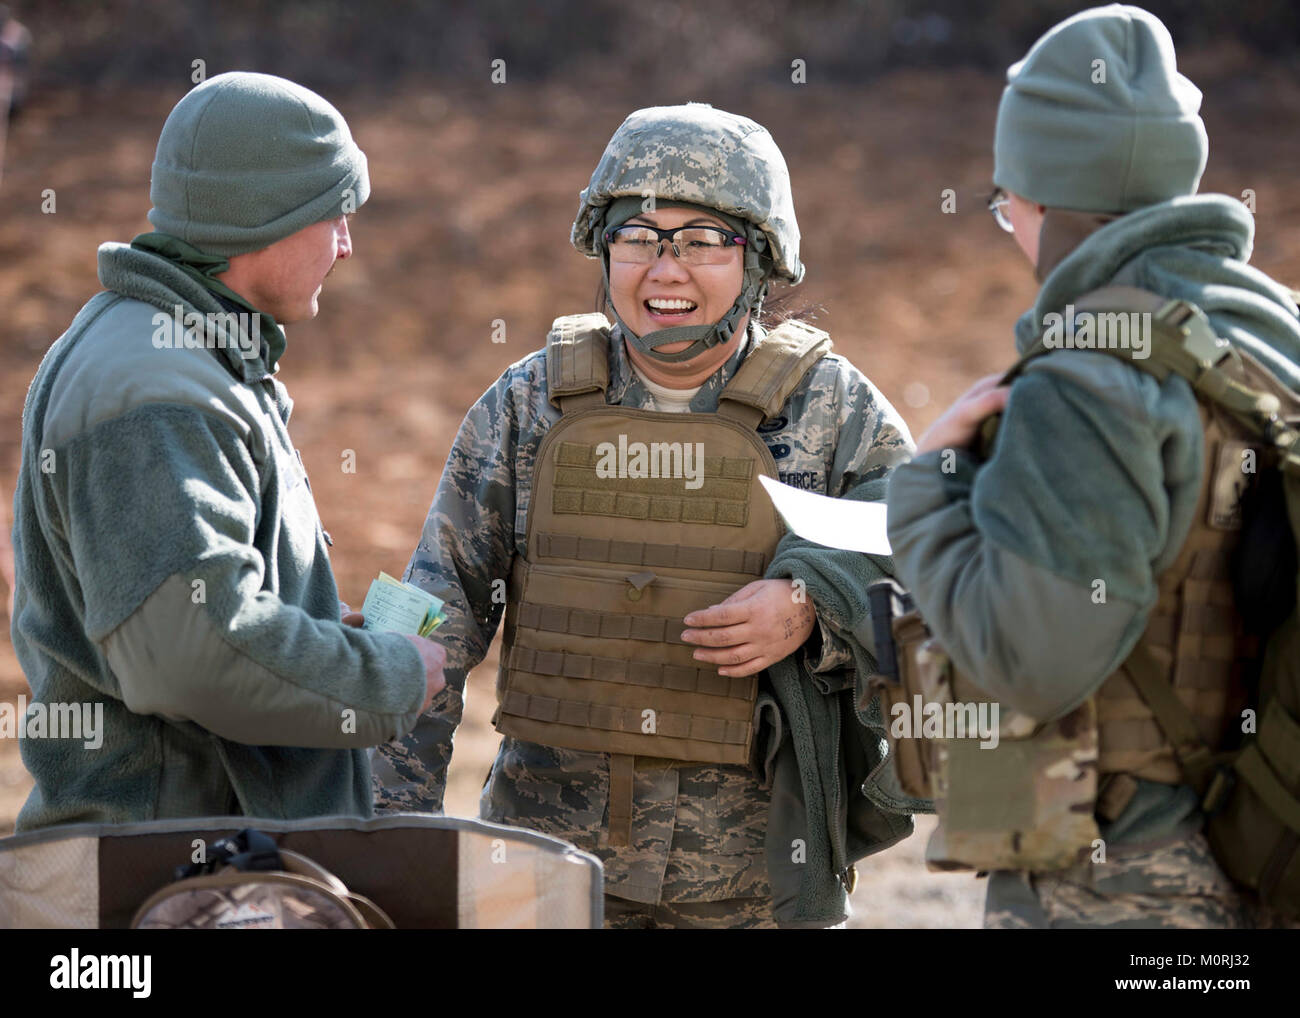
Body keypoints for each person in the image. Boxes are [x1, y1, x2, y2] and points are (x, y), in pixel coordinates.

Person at [373, 102, 918, 928]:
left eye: (702, 241)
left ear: (760, 259)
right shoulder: (528, 405)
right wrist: (392, 838)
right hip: (548, 874)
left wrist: (812, 602)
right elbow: (431, 617)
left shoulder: (832, 411)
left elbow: (928, 558)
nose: (665, 271)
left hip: (757, 885)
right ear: (603, 247)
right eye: (637, 236)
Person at [886, 5, 1300, 928]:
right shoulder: (1270, 337)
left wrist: (926, 490)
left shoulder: (1087, 379)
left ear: (1052, 207)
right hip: (1265, 840)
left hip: (1128, 875)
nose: (1010, 230)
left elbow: (1034, 660)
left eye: (1009, 207)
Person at [10, 72, 445, 832]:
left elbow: (203, 608)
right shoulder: (156, 388)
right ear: (264, 217)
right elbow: (195, 654)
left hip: (200, 868)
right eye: (333, 215)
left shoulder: (171, 352)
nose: (346, 247)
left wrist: (312, 633)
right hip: (173, 881)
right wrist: (393, 675)